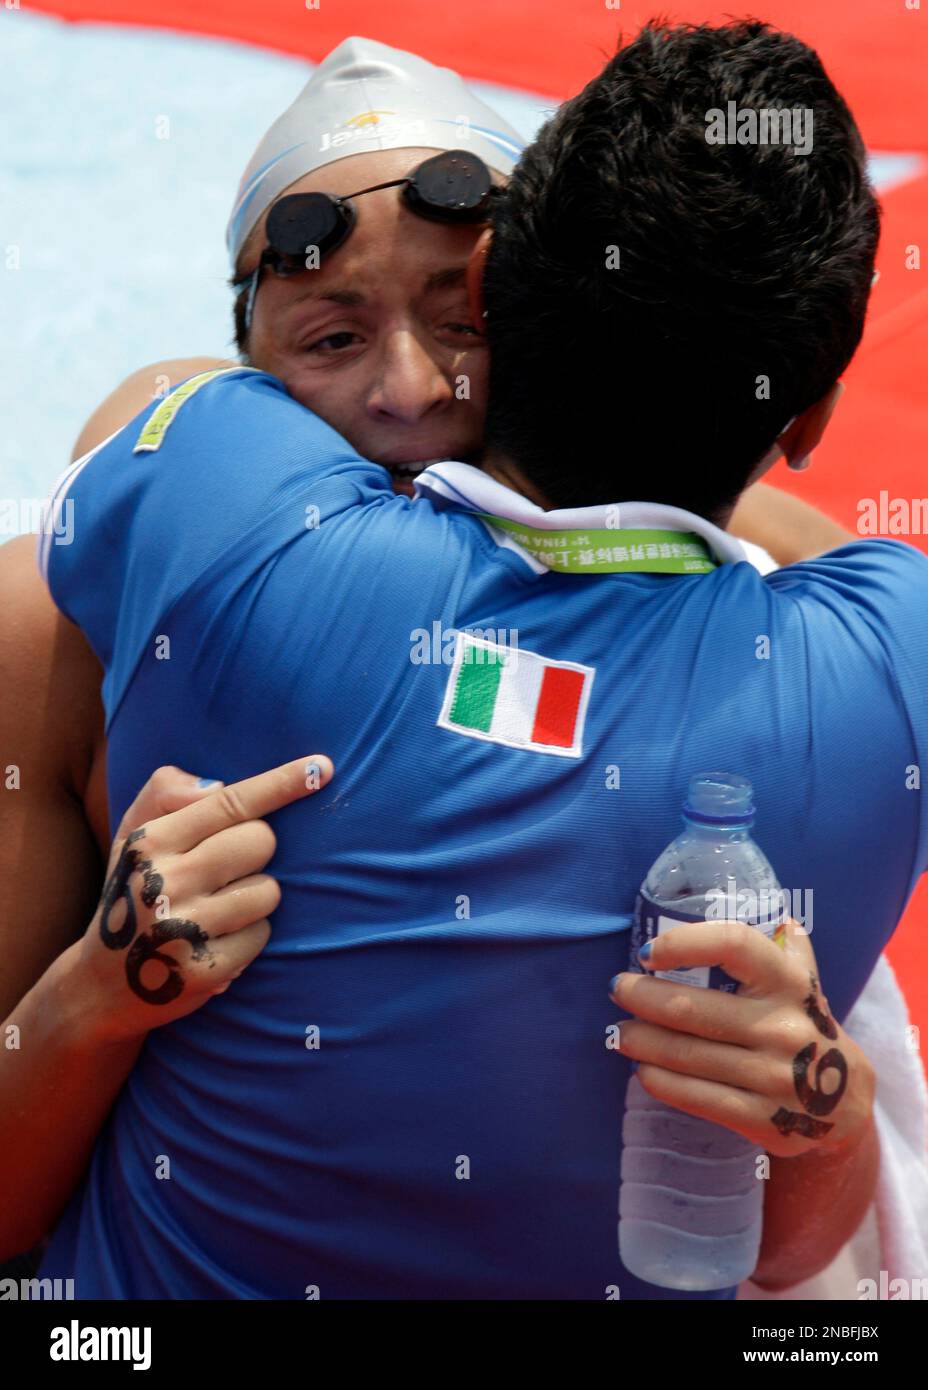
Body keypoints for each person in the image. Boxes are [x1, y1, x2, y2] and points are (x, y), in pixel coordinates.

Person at [19, 18, 927, 1299]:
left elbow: (146, 413)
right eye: (331, 338)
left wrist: (824, 1123)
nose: (404, 388)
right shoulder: (871, 673)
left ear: (512, 299)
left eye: (454, 320)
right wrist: (85, 999)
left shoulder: (205, 507)